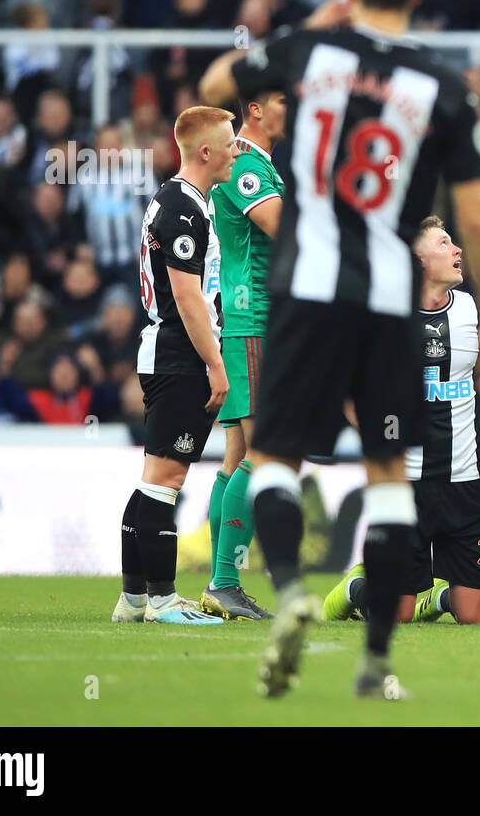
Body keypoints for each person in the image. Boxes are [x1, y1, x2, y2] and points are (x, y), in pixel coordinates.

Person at [198, 0, 480, 700]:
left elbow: (213, 77)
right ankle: (376, 664)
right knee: (388, 473)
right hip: (389, 301)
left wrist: (304, 30)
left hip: (304, 290)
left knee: (271, 457)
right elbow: (472, 218)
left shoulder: (310, 54)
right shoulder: (443, 85)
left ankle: (294, 588)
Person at [321, 217, 480, 626]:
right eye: (444, 243)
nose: (457, 250)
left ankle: (437, 598)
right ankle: (356, 588)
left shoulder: (473, 305)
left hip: (465, 478)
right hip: (408, 481)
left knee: (475, 618)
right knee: (395, 616)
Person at [111, 105, 237, 627]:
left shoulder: (183, 201)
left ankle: (135, 599)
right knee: (166, 480)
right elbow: (188, 297)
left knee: (151, 481)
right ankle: (162, 600)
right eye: (230, 142)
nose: (236, 150)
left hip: (166, 352)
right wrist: (216, 362)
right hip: (180, 356)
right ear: (204, 151)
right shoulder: (183, 208)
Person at [196, 85, 288, 622]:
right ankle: (224, 582)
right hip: (255, 321)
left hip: (249, 321)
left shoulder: (259, 164)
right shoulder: (247, 164)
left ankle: (222, 583)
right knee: (262, 452)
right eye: (282, 100)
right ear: (254, 109)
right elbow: (282, 227)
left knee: (236, 457)